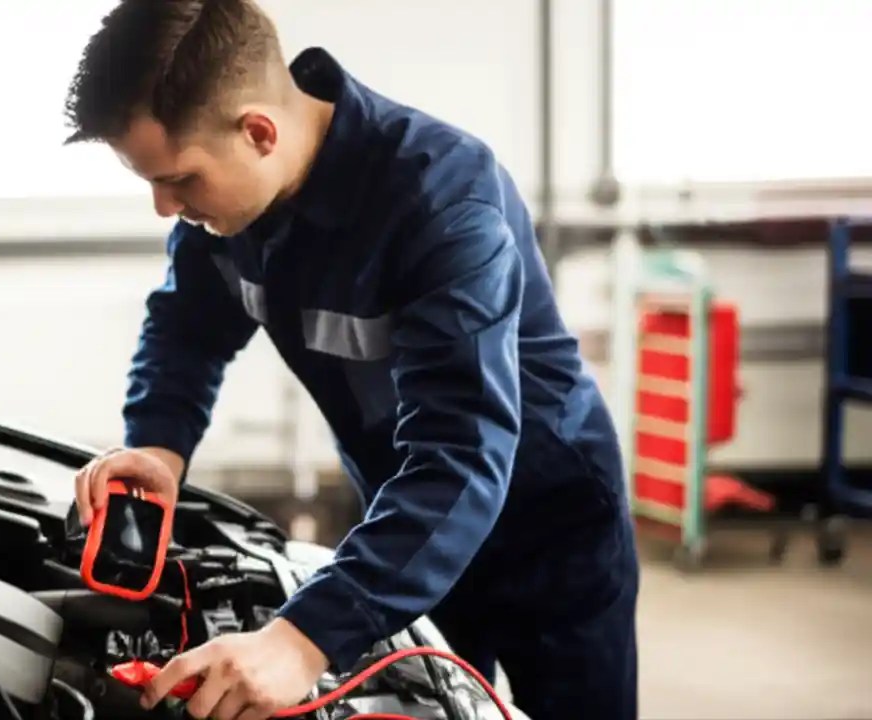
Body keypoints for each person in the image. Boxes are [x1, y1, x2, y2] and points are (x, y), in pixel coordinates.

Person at [64, 2, 640, 719]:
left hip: (545, 529)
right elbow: (187, 328)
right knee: (435, 706)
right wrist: (158, 447)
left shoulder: (443, 203)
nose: (163, 206)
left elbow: (461, 454)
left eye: (177, 179)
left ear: (258, 132)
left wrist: (302, 640)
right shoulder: (229, 209)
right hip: (405, 519)